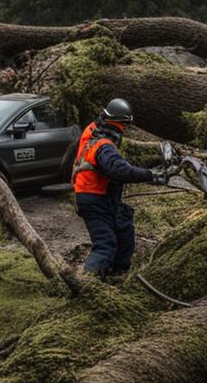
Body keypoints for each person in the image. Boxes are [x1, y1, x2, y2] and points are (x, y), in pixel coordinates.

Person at [72, 98, 168, 278]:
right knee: (105, 245)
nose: (123, 131)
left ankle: (116, 274)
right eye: (124, 126)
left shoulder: (92, 135)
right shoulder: (103, 146)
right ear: (119, 124)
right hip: (94, 199)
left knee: (123, 229)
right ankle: (85, 284)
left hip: (98, 196)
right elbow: (120, 170)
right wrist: (151, 175)